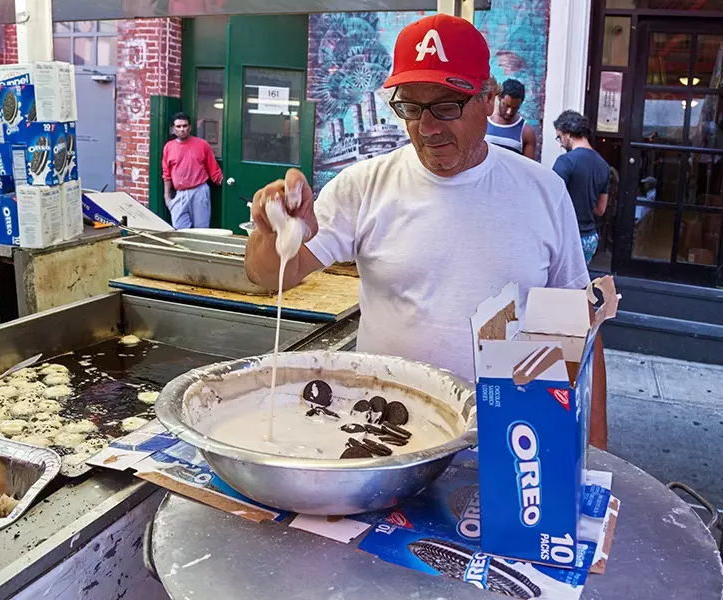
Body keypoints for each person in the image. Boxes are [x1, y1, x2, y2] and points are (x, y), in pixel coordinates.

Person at [244, 15, 608, 449]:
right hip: (381, 435)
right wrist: (271, 229)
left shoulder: (543, 191)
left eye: (446, 106)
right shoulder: (364, 185)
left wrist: (595, 453)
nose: (427, 127)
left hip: (506, 441)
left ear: (487, 99)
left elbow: (580, 328)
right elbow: (270, 276)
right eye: (411, 108)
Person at [552, 110, 610, 265]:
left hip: (566, 237)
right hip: (589, 239)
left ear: (568, 134)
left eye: (560, 137)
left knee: (556, 287)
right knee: (578, 285)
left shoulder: (565, 161)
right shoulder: (603, 166)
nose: (561, 143)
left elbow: (551, 200)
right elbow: (600, 209)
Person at [161, 112, 223, 229]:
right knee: (180, 228)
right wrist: (167, 197)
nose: (182, 129)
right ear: (173, 129)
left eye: (185, 126)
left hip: (199, 191)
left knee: (201, 230)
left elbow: (214, 170)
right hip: (179, 194)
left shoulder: (202, 145)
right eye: (178, 126)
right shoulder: (169, 147)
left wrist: (228, 185)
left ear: (190, 127)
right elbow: (166, 174)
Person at [485, 78, 537, 159]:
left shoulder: (526, 132)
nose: (509, 112)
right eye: (506, 105)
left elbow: (529, 169)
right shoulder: (483, 121)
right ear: (499, 97)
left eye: (515, 108)